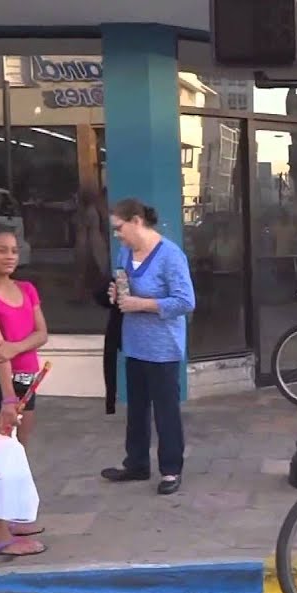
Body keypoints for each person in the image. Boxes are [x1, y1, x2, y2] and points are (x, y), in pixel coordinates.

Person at [99, 198, 196, 495]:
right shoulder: (125, 253)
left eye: (119, 227)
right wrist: (116, 293)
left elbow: (185, 301)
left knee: (166, 410)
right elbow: (124, 284)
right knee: (136, 408)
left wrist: (142, 304)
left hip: (163, 347)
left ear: (137, 221)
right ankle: (137, 463)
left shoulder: (170, 256)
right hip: (134, 343)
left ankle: (170, 470)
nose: (117, 234)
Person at [0, 224, 49, 556]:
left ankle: (13, 519)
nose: (10, 256)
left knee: (17, 454)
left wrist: (16, 349)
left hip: (27, 379)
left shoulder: (27, 289)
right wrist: (7, 397)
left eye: (14, 250)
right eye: (1, 249)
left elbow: (42, 334)